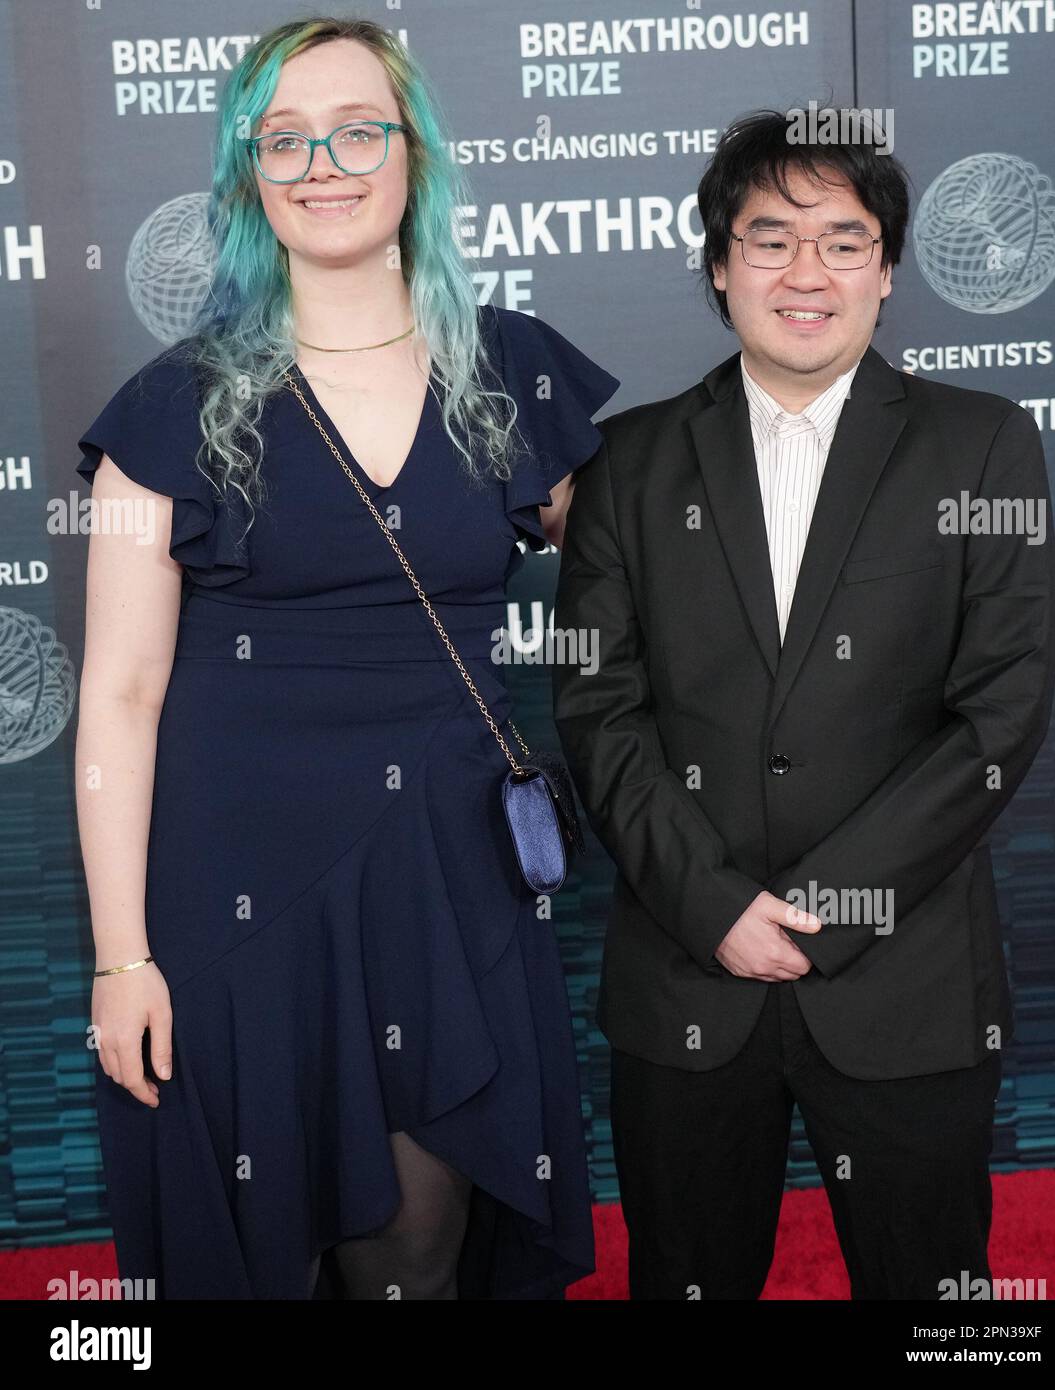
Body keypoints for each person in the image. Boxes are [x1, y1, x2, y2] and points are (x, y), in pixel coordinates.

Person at [75, 16, 618, 1300]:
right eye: (285, 139)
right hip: (230, 897)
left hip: (444, 878)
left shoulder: (514, 371)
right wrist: (119, 955)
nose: (324, 162)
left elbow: (653, 584)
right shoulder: (170, 406)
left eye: (357, 128)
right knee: (254, 1247)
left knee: (416, 1250)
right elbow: (118, 695)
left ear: (414, 154)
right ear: (247, 174)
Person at [551, 108, 1055, 1300]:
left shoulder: (980, 447)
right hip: (686, 977)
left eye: (842, 240)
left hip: (905, 984)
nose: (805, 273)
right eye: (768, 238)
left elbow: (998, 713)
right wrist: (716, 905)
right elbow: (594, 704)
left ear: (886, 268)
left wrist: (824, 908)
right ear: (716, 264)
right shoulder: (624, 463)